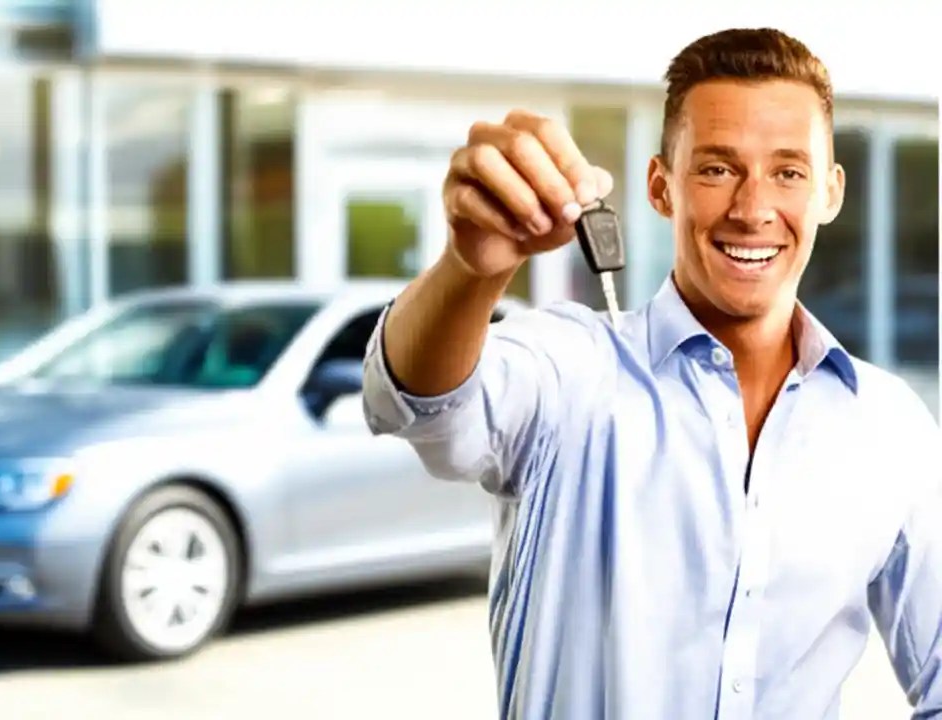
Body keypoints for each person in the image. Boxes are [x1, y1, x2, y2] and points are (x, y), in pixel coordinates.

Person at [361, 27, 941, 720]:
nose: (753, 209)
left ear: (830, 192)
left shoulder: (890, 425)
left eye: (788, 172)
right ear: (661, 188)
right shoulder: (572, 371)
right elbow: (416, 402)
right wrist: (469, 269)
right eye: (717, 168)